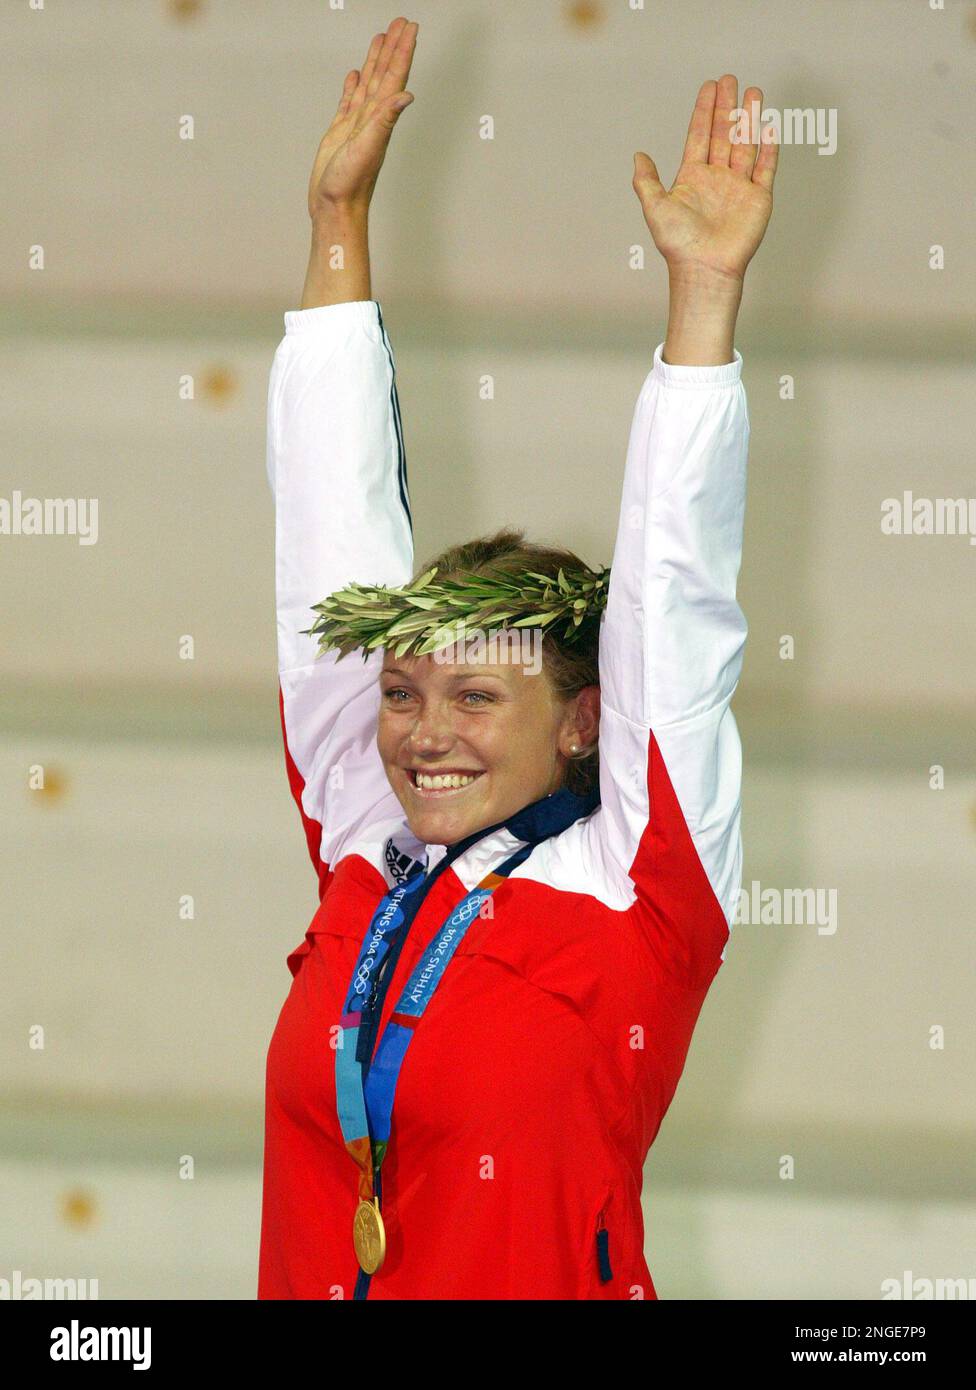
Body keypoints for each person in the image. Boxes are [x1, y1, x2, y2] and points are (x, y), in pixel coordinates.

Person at [258, 16, 777, 1300]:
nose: (423, 732)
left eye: (478, 695)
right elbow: (328, 544)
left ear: (582, 720)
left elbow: (674, 603)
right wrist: (338, 225)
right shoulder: (362, 844)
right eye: (402, 693)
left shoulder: (637, 886)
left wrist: (701, 307)